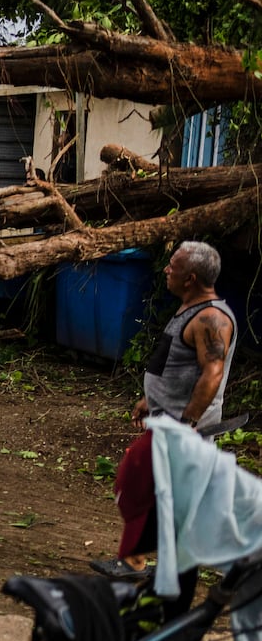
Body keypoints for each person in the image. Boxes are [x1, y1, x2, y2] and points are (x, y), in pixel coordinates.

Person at [104, 240, 238, 576]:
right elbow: (175, 366)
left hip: (181, 426)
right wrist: (151, 400)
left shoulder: (211, 318)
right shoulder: (191, 310)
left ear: (190, 278)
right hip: (169, 419)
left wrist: (187, 422)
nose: (166, 269)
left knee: (134, 484)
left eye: (173, 266)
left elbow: (212, 373)